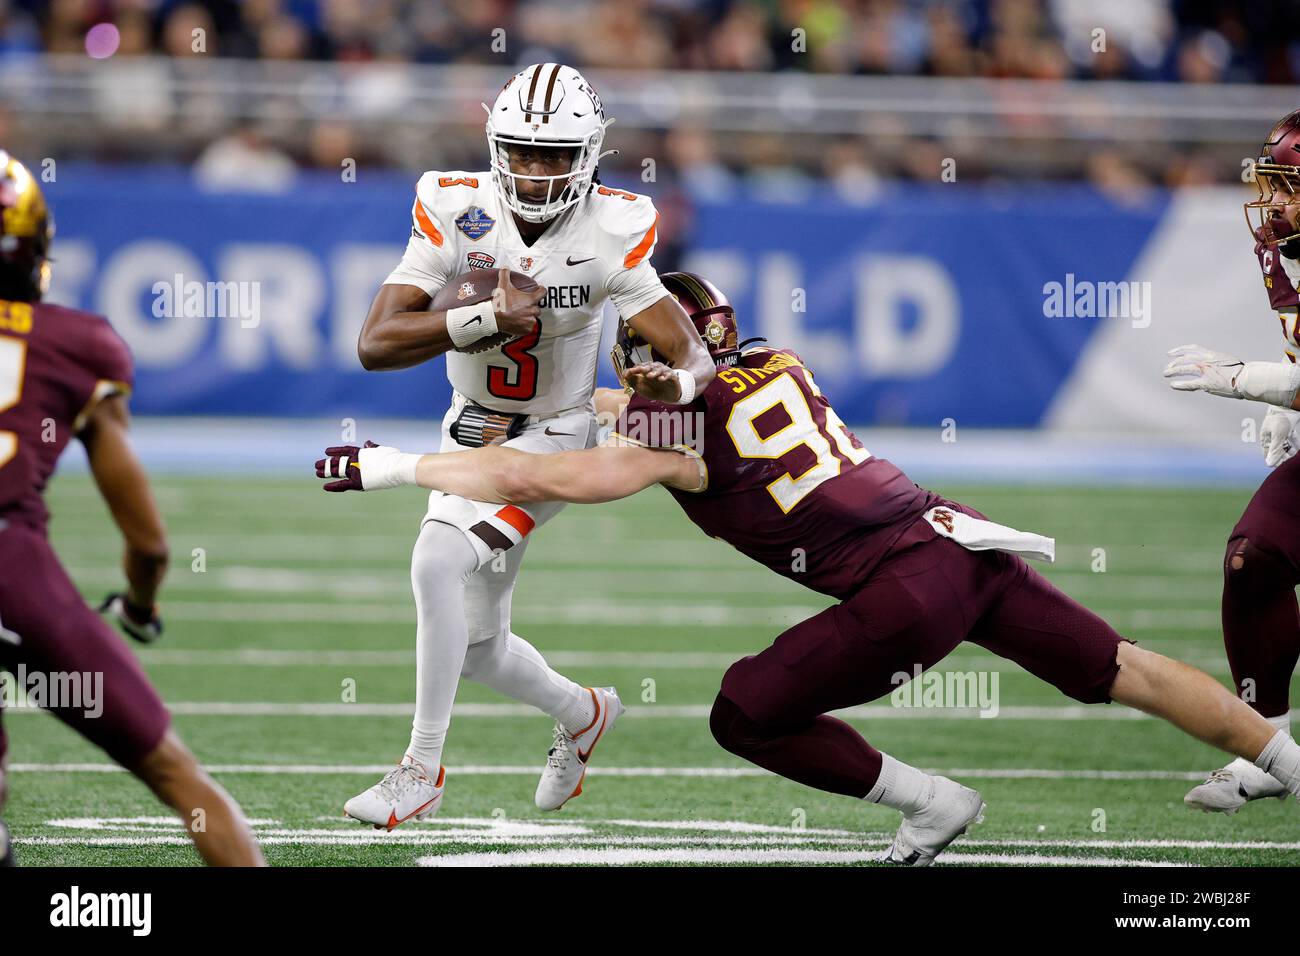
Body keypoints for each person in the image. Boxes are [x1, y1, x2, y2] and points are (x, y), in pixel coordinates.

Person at [320, 271, 1300, 865]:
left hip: (901, 588)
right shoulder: (776, 361)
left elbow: (536, 471)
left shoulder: (672, 432)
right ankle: (1284, 755)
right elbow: (662, 413)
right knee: (1122, 665)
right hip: (961, 539)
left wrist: (391, 465)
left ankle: (931, 800)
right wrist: (614, 406)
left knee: (742, 711)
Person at [344, 63, 715, 829]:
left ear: (588, 155)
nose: (537, 171)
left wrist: (671, 390)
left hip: (556, 437)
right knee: (477, 647)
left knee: (436, 560)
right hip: (469, 431)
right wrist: (476, 319)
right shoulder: (456, 208)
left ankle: (420, 768)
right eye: (522, 151)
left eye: (554, 155)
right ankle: (583, 713)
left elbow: (691, 354)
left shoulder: (611, 229)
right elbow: (375, 344)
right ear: (494, 145)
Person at [0, 151, 263, 866]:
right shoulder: (73, 343)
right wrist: (140, 608)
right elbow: (147, 542)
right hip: (11, 572)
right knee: (179, 777)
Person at [1162, 107, 1300, 813]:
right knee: (1256, 556)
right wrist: (1286, 400)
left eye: (1287, 185)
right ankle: (1271, 748)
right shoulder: (1284, 246)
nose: (1272, 202)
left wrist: (1242, 380)